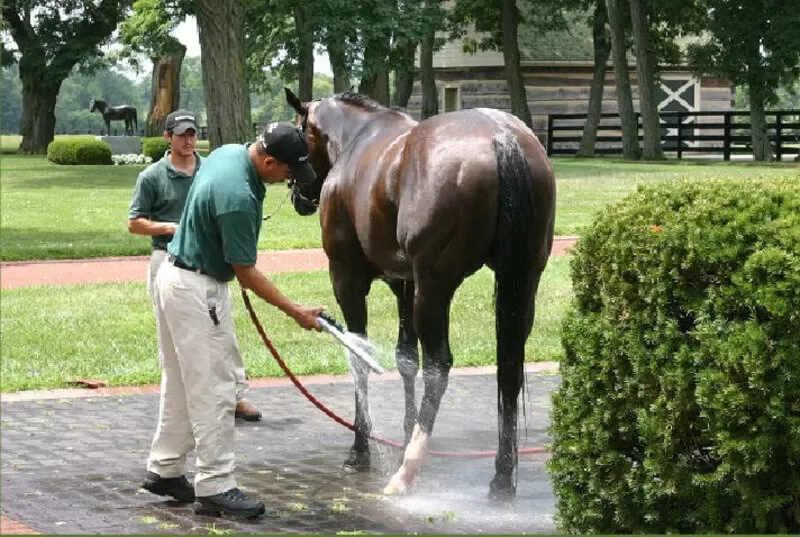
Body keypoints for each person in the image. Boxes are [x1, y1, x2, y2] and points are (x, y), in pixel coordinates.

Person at [141, 122, 325, 519]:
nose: (289, 180)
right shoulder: (239, 197)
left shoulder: (227, 153)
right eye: (288, 172)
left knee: (180, 381)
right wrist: (295, 311)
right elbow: (246, 269)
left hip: (176, 276)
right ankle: (216, 486)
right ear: (269, 159)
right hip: (197, 289)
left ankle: (166, 468)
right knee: (216, 389)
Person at [127, 109, 262, 422]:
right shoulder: (151, 177)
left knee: (224, 332)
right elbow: (134, 223)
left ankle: (236, 395)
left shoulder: (210, 169)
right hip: (169, 261)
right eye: (182, 134)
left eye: (192, 134)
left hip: (211, 261)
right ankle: (183, 400)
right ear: (168, 137)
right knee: (173, 338)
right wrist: (171, 228)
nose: (189, 140)